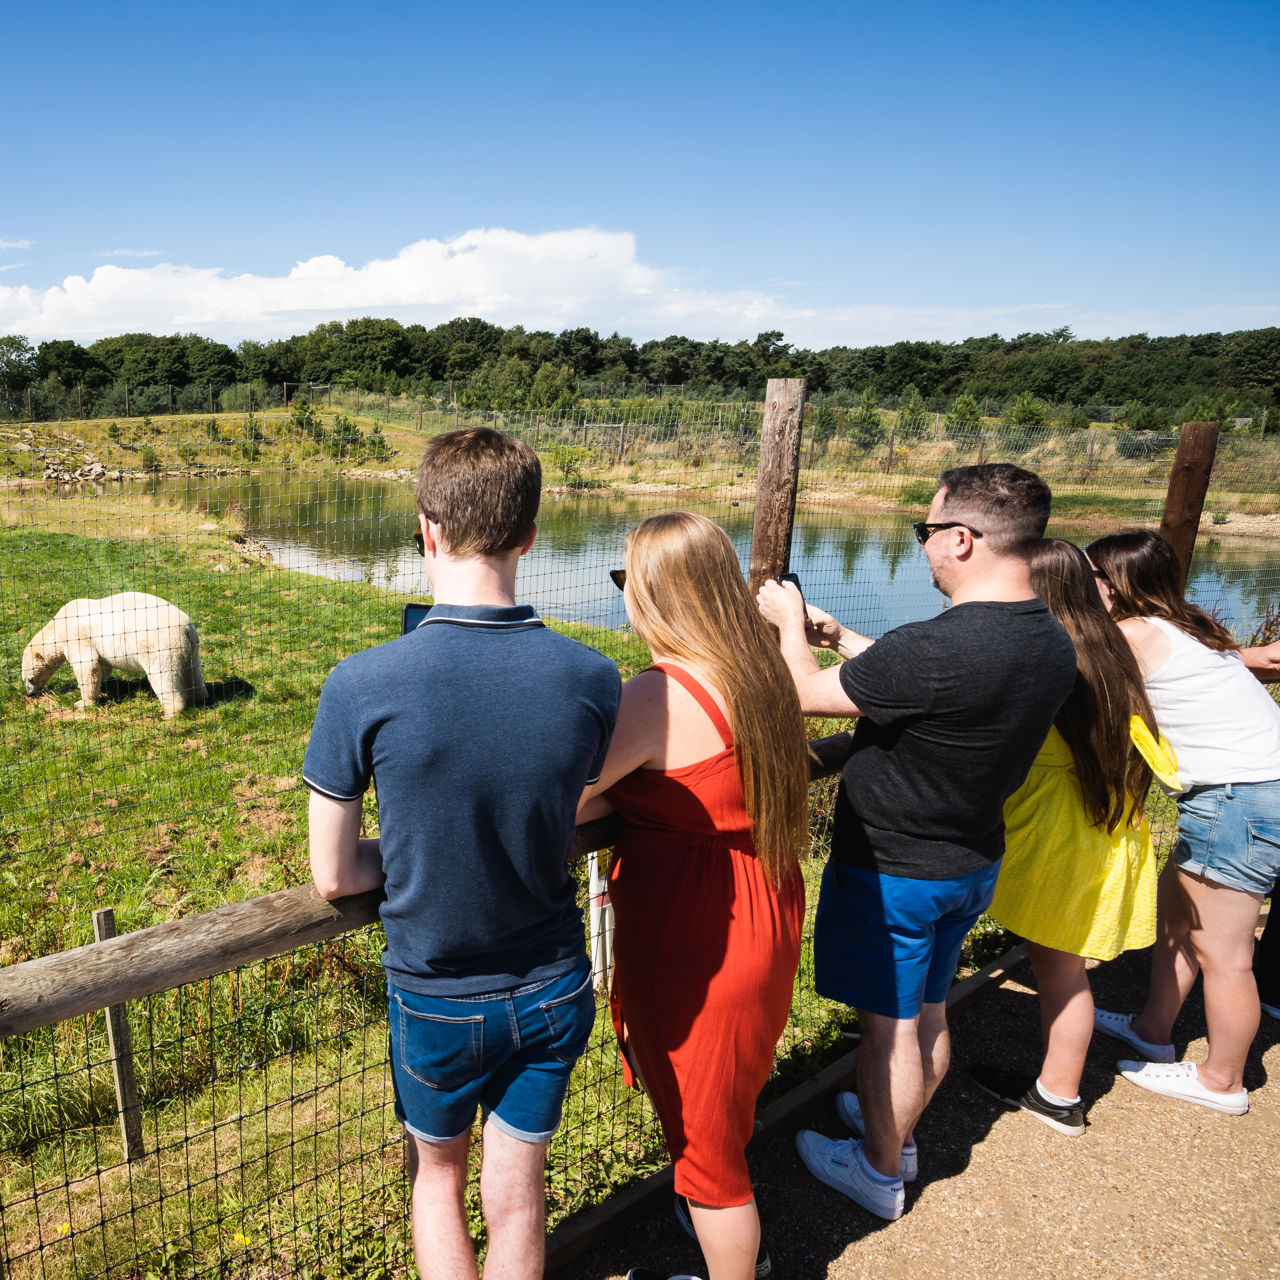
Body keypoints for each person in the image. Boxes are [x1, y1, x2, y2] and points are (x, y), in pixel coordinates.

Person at [303, 428, 621, 1280]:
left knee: (436, 1183)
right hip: (555, 985)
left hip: (437, 995)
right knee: (519, 1192)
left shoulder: (361, 682)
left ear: (427, 529)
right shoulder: (593, 677)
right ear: (530, 534)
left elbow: (334, 875)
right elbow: (562, 807)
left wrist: (415, 847)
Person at [758, 463, 1076, 1221]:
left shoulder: (936, 646)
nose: (923, 546)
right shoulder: (1047, 637)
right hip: (968, 859)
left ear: (962, 539)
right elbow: (929, 684)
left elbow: (802, 696)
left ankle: (878, 1169)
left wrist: (786, 626)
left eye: (924, 531)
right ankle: (893, 1134)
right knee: (929, 1012)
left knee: (891, 1031)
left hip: (894, 872)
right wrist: (841, 637)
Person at [578, 510, 809, 1280]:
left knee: (710, 1161)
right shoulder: (760, 674)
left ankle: (734, 1262)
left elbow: (561, 802)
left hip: (697, 934)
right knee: (721, 1106)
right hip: (763, 902)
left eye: (625, 580)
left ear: (650, 590)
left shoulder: (656, 696)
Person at [966, 539, 1174, 1135]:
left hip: (1058, 835)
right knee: (1061, 963)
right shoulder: (1108, 650)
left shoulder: (1051, 659)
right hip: (1099, 829)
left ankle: (1058, 1095)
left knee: (1061, 970)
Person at [1086, 528, 1280, 1115]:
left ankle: (1223, 1082)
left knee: (1225, 955)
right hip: (1244, 796)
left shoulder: (1133, 635)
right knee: (1175, 917)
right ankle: (1152, 1029)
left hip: (1237, 801)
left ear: (1116, 584)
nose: (1080, 586)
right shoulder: (1189, 626)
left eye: (1090, 576)